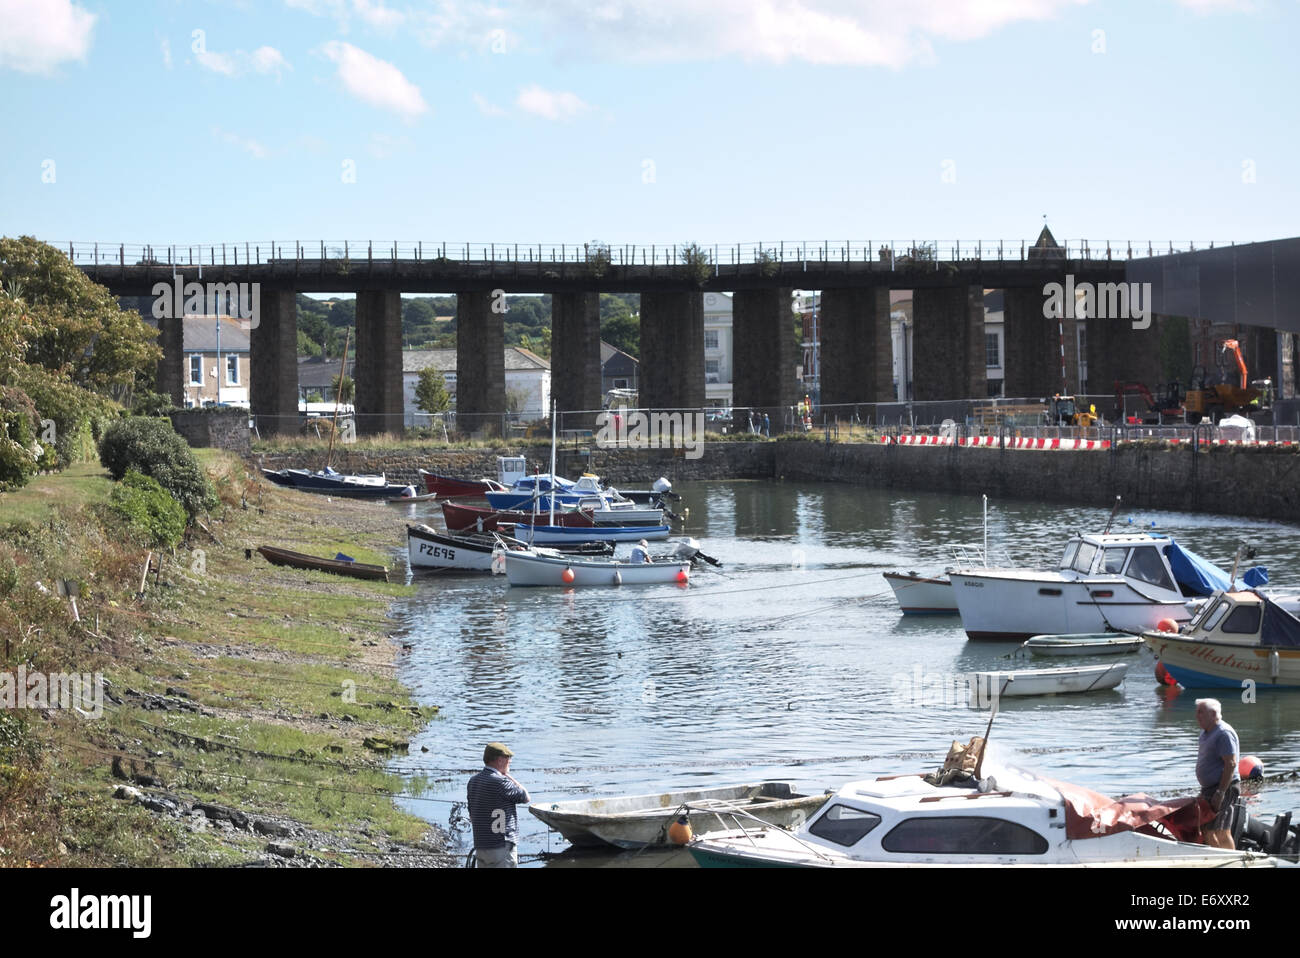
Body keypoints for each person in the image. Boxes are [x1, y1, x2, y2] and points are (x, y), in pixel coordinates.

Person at [466, 742, 531, 867]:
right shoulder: (501, 781)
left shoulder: (473, 781)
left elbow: (472, 815)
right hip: (501, 846)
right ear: (500, 760)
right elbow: (526, 797)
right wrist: (509, 777)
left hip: (481, 845)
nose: (510, 761)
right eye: (508, 758)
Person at [1195, 698, 1240, 849]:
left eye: (1201, 712)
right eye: (1197, 712)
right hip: (1210, 788)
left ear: (1213, 714)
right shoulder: (1206, 732)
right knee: (1206, 829)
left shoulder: (1223, 733)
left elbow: (1231, 764)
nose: (1197, 716)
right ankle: (1219, 858)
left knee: (1219, 830)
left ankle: (1231, 862)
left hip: (1223, 787)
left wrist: (1220, 793)